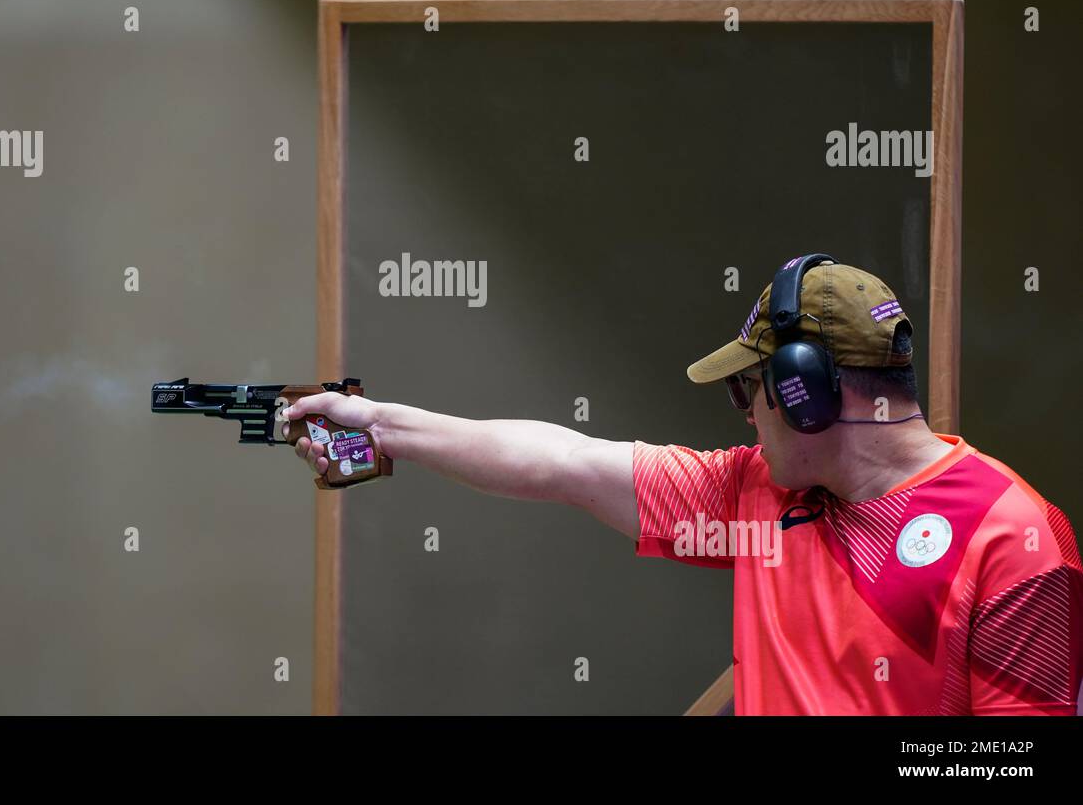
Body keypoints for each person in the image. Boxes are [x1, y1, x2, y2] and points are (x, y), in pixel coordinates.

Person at [282, 255, 1083, 715]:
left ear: (802, 390)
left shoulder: (1013, 537)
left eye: (750, 391)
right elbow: (563, 460)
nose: (744, 418)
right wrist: (380, 425)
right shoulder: (752, 493)